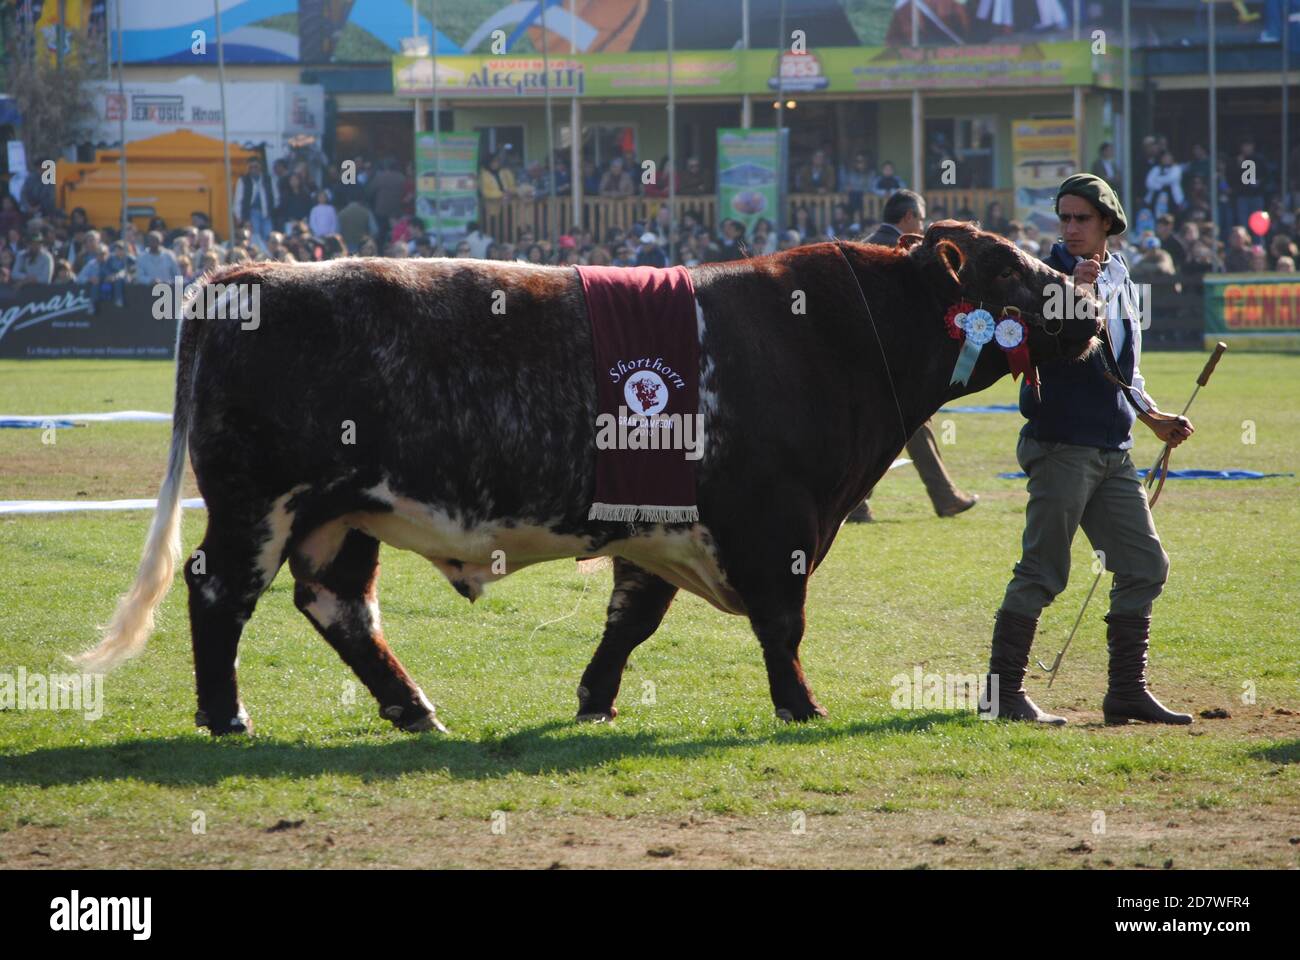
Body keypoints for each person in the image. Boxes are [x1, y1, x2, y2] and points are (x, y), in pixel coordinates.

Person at [983, 173, 1194, 727]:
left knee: (1145, 566)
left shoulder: (1122, 274)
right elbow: (1050, 346)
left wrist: (1152, 417)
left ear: (1108, 223)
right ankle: (1001, 695)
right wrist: (1075, 290)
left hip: (1113, 447)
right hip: (1060, 445)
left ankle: (1126, 691)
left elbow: (1126, 365)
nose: (1071, 228)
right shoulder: (1044, 277)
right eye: (1065, 218)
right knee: (1042, 572)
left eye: (1082, 218)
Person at [847, 190, 979, 524]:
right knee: (912, 424)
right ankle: (943, 496)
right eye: (919, 219)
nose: (921, 226)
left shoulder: (864, 244)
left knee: (890, 431)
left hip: (866, 357)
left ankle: (858, 504)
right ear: (908, 218)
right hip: (895, 359)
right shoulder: (901, 249)